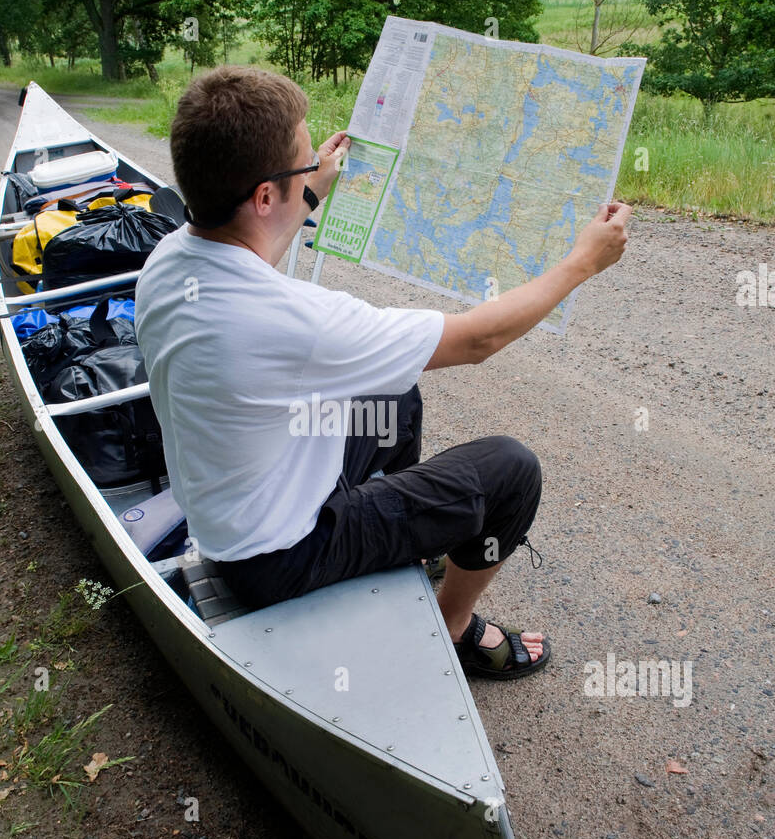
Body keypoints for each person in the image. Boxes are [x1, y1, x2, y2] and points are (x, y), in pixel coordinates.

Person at [135, 66, 631, 679]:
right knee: (511, 470)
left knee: (394, 398)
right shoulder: (294, 323)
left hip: (232, 506)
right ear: (264, 195)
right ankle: (452, 627)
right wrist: (583, 262)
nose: (307, 170)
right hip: (282, 555)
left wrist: (310, 189)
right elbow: (480, 339)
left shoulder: (170, 260)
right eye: (298, 164)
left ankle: (406, 552)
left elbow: (253, 247)